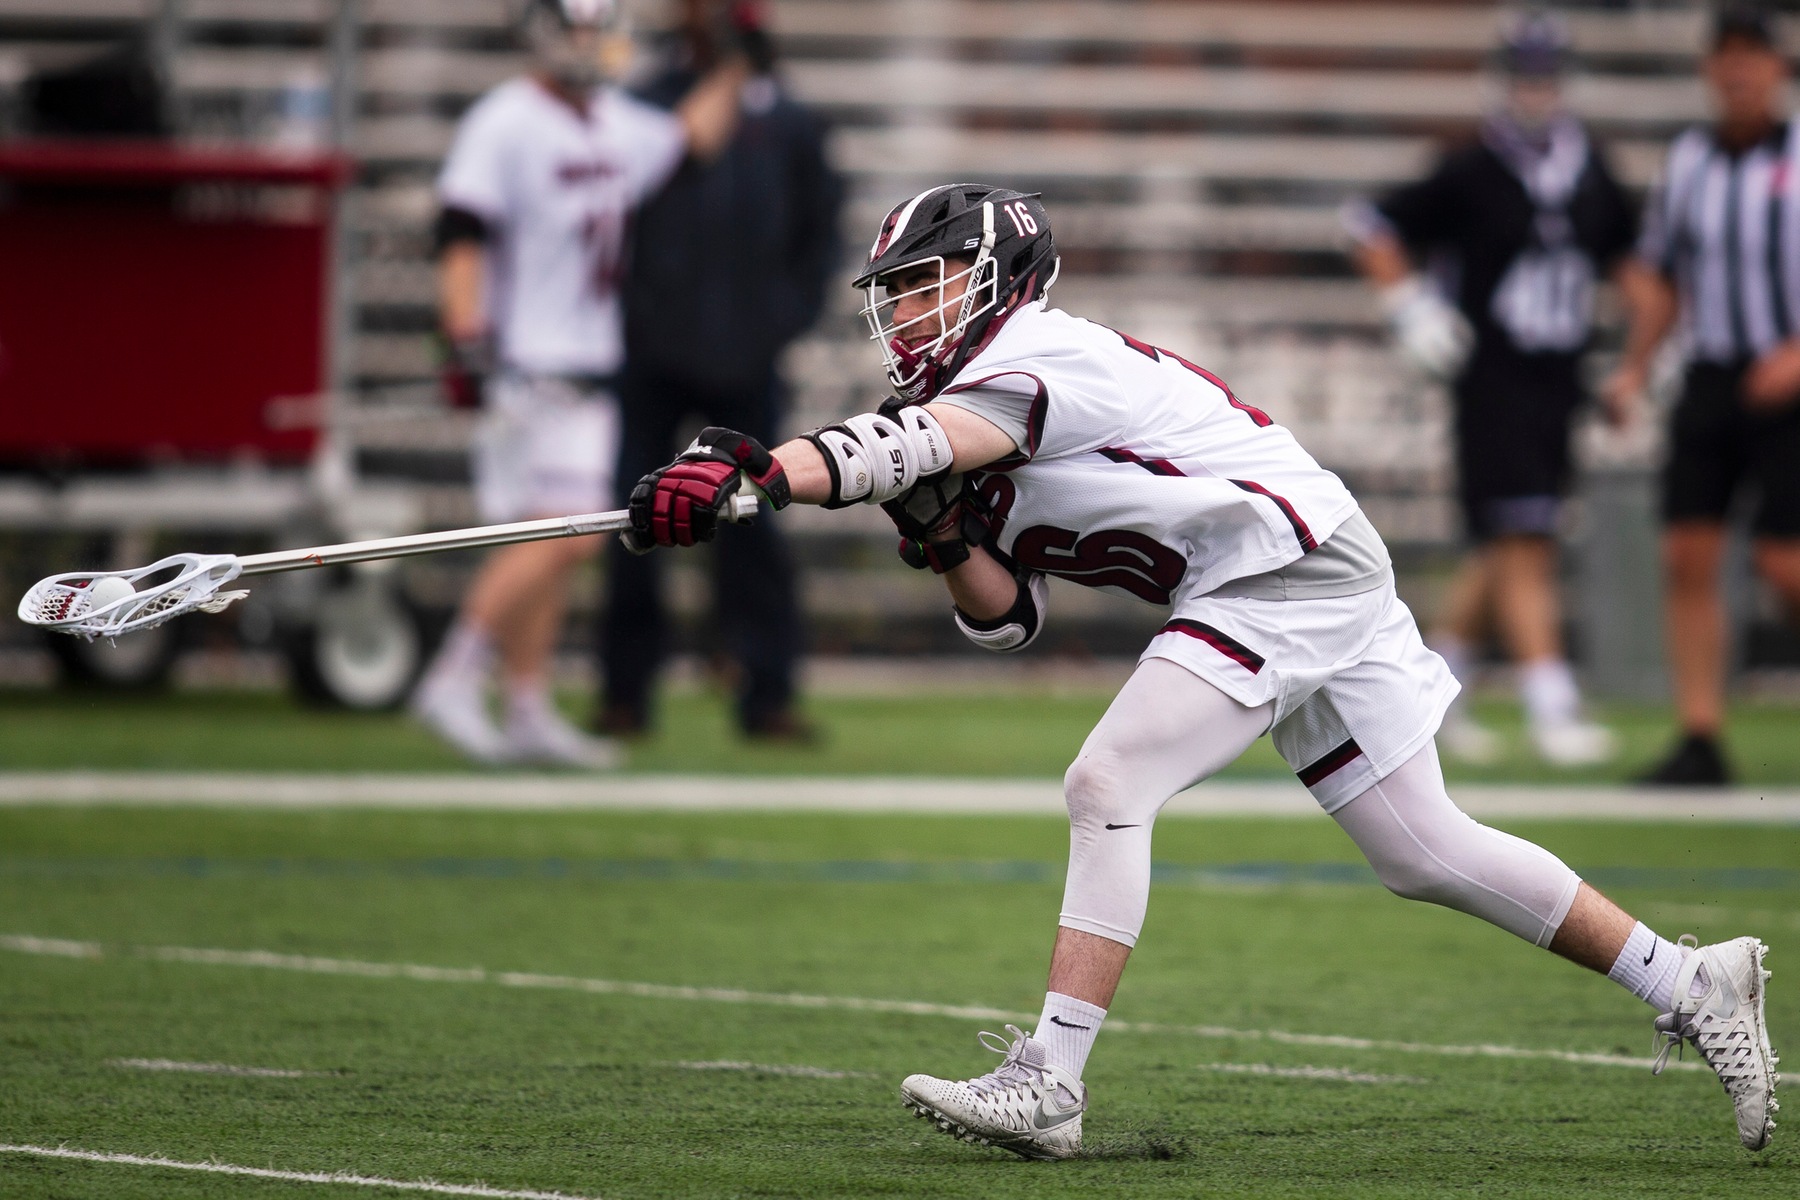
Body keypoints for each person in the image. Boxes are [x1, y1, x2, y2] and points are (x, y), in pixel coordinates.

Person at [623, 184, 1778, 1159]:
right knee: (1424, 851)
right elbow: (1006, 618)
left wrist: (757, 472)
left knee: (1108, 781)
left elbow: (899, 447)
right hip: (1295, 564)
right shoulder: (959, 410)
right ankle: (1691, 983)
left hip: (1285, 562)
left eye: (930, 280)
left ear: (997, 277)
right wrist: (941, 535)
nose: (909, 308)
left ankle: (1050, 1080)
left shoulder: (1037, 351)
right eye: (898, 290)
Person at [409, 0, 745, 765]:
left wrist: (732, 61)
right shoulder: (504, 119)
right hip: (526, 359)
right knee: (569, 531)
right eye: (578, 29)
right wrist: (463, 335)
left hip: (583, 358)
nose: (591, 44)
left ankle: (525, 704)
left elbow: (693, 137)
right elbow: (461, 233)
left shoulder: (613, 121)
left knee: (552, 535)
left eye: (599, 29)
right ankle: (453, 676)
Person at [1347, 11, 1635, 767]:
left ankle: (1428, 691)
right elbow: (1371, 224)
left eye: (1545, 74)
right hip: (1493, 377)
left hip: (1560, 375)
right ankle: (1551, 703)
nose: (1535, 89)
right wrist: (1410, 307)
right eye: (1524, 74)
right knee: (1523, 537)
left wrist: (1643, 359)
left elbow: (1632, 259)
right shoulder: (1472, 166)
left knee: (1507, 539)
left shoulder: (1589, 167)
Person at [597, 0, 842, 740]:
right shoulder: (646, 105)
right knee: (635, 518)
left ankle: (766, 690)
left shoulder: (788, 121)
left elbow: (818, 233)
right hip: (651, 352)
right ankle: (624, 692)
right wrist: (638, 316)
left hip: (746, 356)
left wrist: (779, 319)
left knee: (755, 519)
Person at [1607, 4, 1800, 786]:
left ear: (1778, 68)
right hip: (1711, 375)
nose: (1739, 68)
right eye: (1727, 54)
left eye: (1753, 53)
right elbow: (1664, 279)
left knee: (1785, 564)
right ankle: (1700, 735)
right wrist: (1634, 366)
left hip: (1790, 381)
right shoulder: (1688, 160)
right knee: (1688, 555)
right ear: (1709, 69)